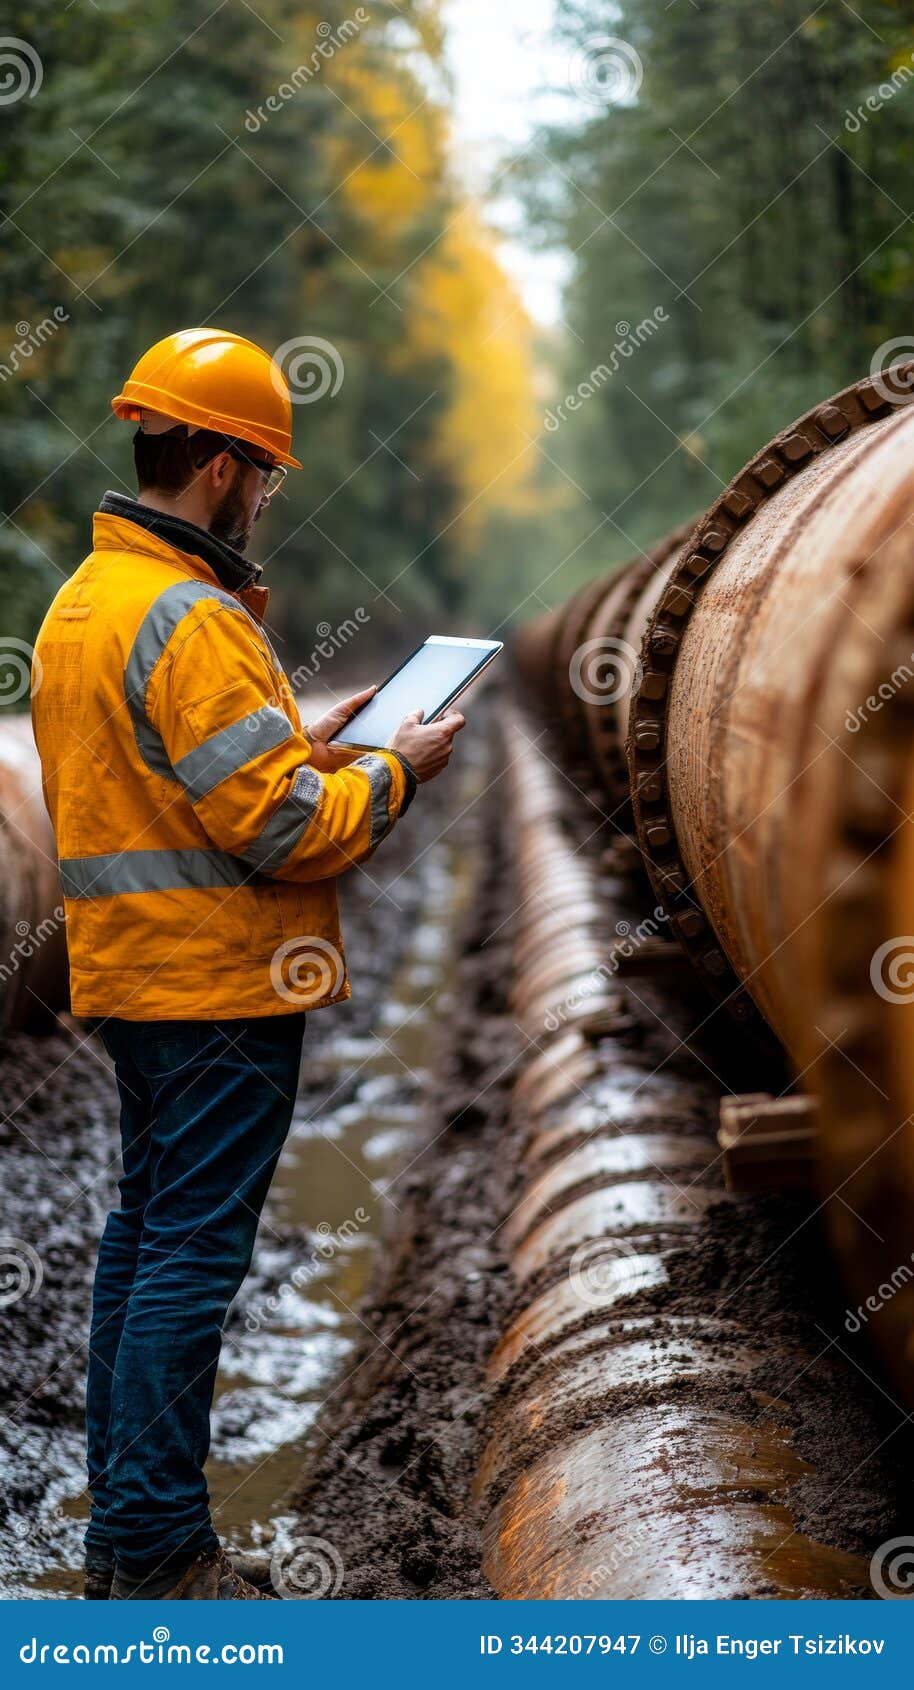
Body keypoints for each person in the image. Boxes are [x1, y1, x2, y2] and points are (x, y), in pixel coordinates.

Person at [30, 328, 464, 1601]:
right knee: (190, 1260)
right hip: (221, 988)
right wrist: (393, 770)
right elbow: (284, 831)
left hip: (136, 982)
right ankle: (161, 1552)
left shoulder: (86, 603)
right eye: (265, 468)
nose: (270, 491)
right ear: (220, 466)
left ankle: (124, 1536)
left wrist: (310, 734)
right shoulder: (196, 614)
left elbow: (180, 780)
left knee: (142, 1239)